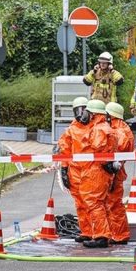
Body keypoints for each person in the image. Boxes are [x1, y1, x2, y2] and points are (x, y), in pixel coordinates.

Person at [75, 99, 116, 248]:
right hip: (100, 171)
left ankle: (101, 236)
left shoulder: (99, 129)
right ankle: (102, 234)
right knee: (100, 203)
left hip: (95, 171)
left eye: (88, 112)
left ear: (93, 114)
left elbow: (98, 148)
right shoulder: (106, 127)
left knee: (94, 203)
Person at [58, 97, 91, 242]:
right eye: (78, 110)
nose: (81, 113)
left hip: (93, 171)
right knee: (80, 204)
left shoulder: (96, 127)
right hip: (76, 171)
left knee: (94, 204)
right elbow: (64, 152)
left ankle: (100, 233)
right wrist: (64, 171)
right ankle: (86, 232)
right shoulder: (71, 130)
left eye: (83, 109)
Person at [104, 102, 133, 245]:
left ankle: (120, 234)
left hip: (115, 172)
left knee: (114, 204)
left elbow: (117, 151)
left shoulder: (120, 131)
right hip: (113, 171)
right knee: (111, 203)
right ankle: (114, 233)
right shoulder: (119, 128)